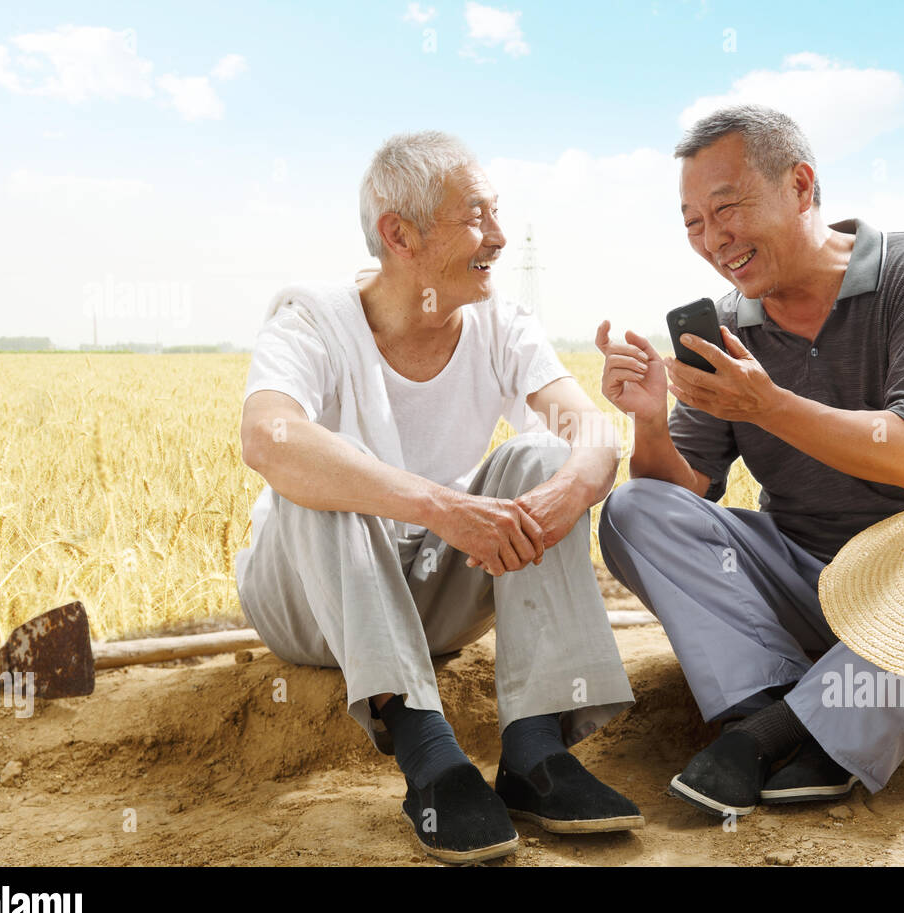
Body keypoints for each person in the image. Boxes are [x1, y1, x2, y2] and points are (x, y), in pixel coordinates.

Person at [235, 131, 642, 864]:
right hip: (307, 599)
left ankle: (533, 750)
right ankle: (430, 758)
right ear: (400, 234)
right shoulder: (312, 320)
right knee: (326, 460)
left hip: (428, 594)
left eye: (497, 211)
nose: (500, 234)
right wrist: (438, 507)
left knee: (545, 455)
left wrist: (569, 492)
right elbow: (268, 439)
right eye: (476, 215)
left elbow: (592, 433)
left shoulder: (501, 325)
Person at [595, 104, 904, 819]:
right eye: (693, 223)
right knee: (631, 510)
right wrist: (650, 423)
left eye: (728, 208)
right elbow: (686, 494)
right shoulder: (722, 327)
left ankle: (763, 739)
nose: (715, 240)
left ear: (802, 186)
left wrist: (767, 405)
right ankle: (773, 707)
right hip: (800, 578)